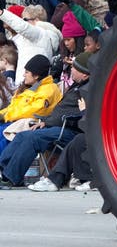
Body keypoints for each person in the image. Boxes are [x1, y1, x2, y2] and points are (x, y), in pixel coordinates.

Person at [0, 52, 92, 188]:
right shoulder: (77, 86)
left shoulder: (87, 90)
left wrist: (48, 122)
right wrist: (45, 121)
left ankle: (10, 178)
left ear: (84, 74)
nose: (71, 69)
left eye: (74, 68)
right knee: (22, 135)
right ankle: (4, 171)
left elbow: (79, 115)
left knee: (33, 138)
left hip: (69, 130)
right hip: (54, 125)